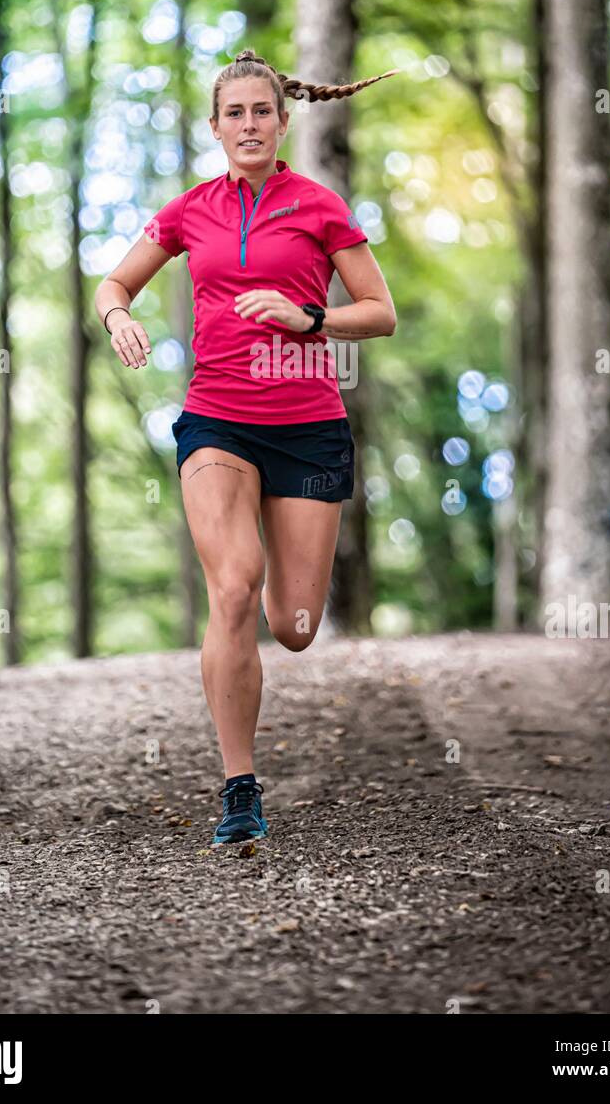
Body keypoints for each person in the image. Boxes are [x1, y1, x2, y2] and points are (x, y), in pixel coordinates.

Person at [94, 49, 397, 844]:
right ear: (216, 126)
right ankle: (239, 787)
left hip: (307, 426)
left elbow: (379, 310)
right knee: (233, 584)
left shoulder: (319, 205)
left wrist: (310, 319)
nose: (250, 124)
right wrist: (118, 315)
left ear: (283, 119)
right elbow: (114, 282)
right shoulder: (189, 210)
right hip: (217, 419)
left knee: (294, 622)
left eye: (262, 111)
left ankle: (274, 595)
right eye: (235, 113)